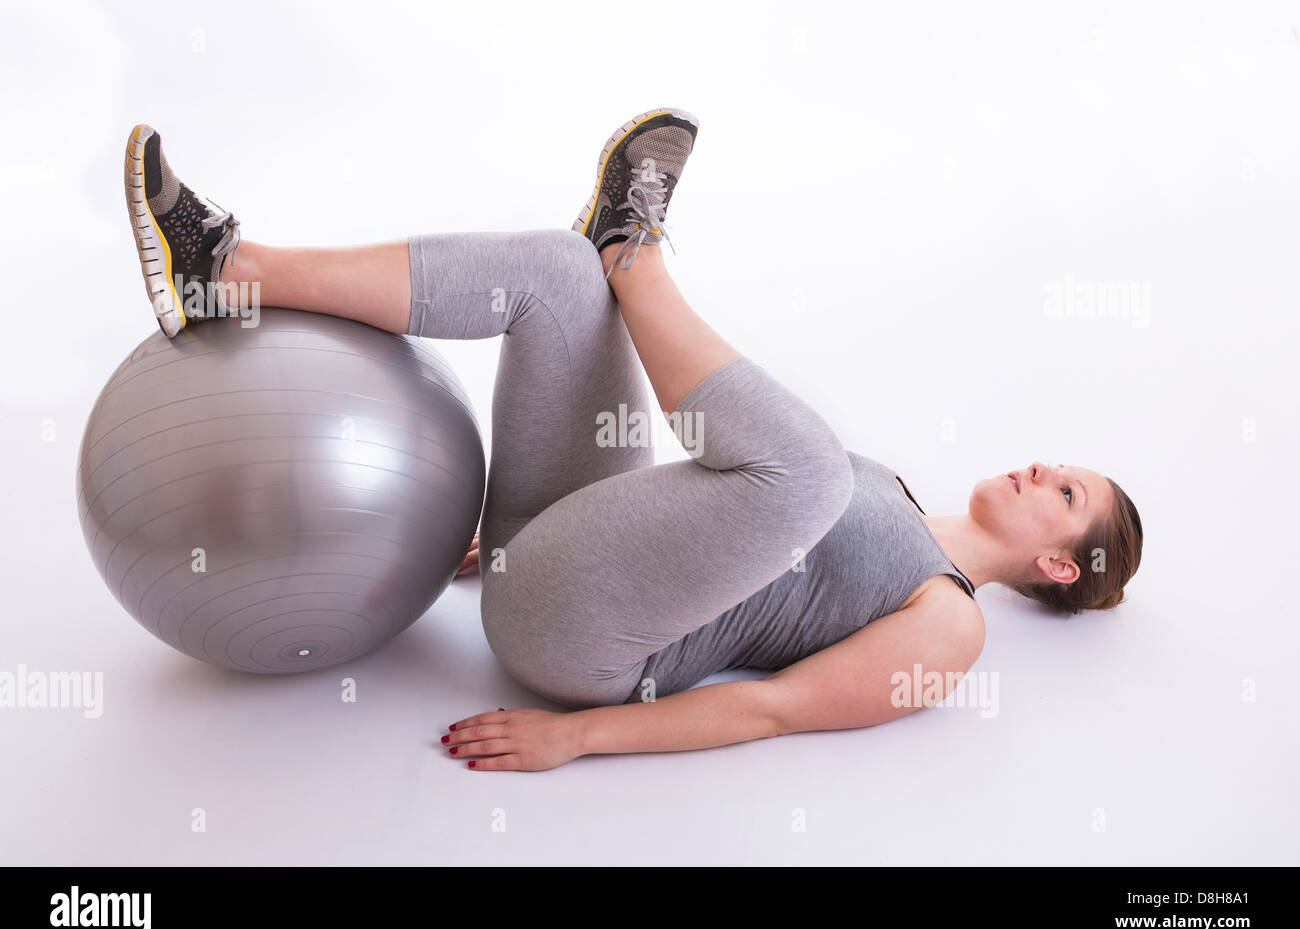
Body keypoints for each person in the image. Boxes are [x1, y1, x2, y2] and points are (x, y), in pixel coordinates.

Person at [122, 108, 1143, 772]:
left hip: (594, 649)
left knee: (808, 472)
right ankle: (226, 265)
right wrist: (554, 543)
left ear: (1057, 561)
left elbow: (774, 710)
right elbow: (686, 523)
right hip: (558, 554)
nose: (1041, 468)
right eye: (1058, 464)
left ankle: (634, 251)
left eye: (1065, 494)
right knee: (558, 279)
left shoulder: (949, 626)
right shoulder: (896, 488)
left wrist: (577, 739)